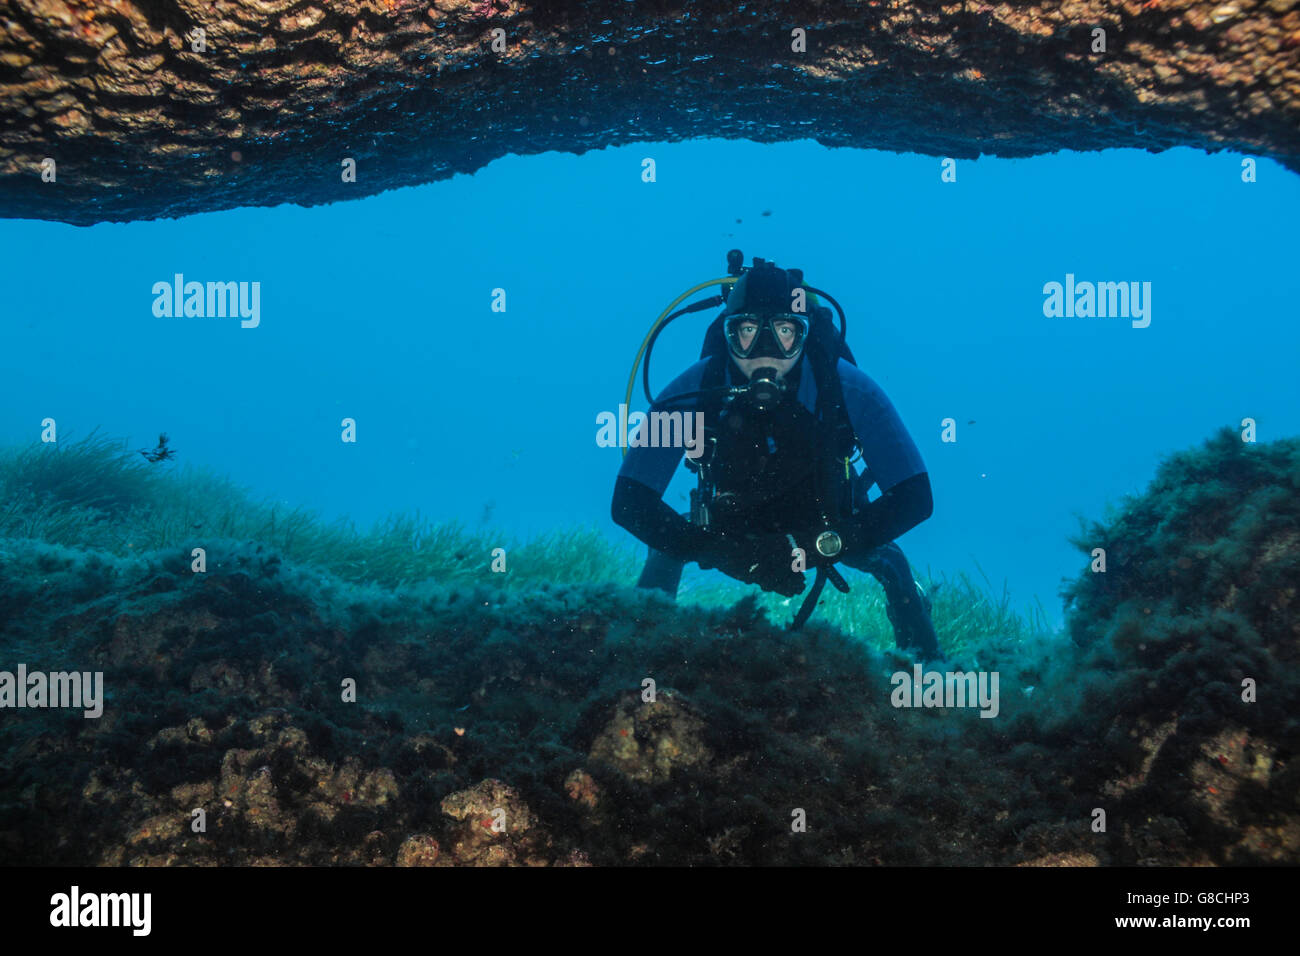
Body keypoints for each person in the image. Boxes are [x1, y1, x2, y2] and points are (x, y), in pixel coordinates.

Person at [610, 257, 941, 659]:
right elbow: (630, 501)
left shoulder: (849, 389)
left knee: (889, 562)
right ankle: (637, 664)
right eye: (747, 331)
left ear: (803, 335)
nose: (765, 351)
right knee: (666, 551)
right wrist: (717, 549)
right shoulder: (695, 390)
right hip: (728, 527)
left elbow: (915, 496)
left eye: (785, 332)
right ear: (728, 334)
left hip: (827, 521)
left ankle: (926, 671)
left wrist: (820, 544)